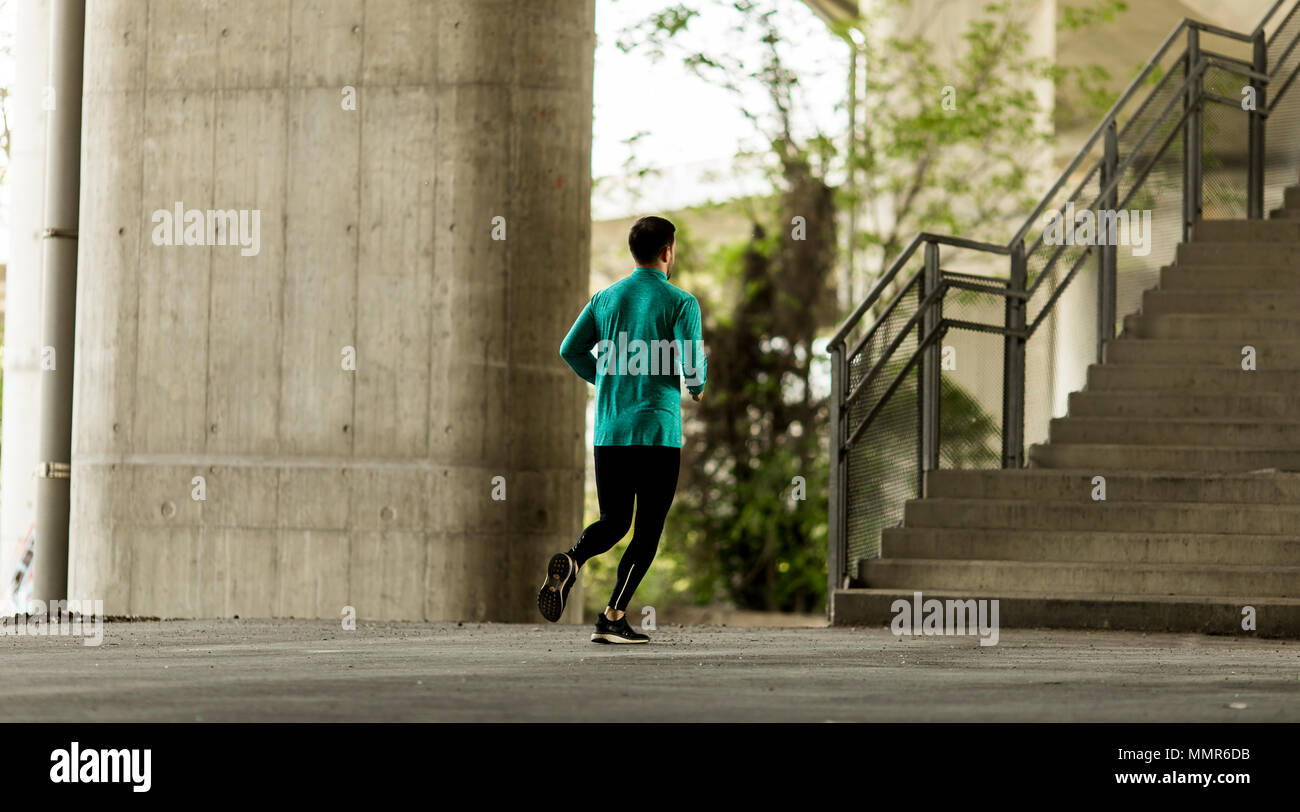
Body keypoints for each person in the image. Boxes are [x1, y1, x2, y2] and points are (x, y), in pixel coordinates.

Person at [539, 215, 707, 643]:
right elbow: (692, 365)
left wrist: (608, 377)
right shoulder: (680, 302)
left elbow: (569, 349)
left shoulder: (604, 299)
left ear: (635, 252)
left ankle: (575, 559)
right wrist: (697, 383)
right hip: (656, 433)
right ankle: (613, 615)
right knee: (648, 528)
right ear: (667, 251)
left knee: (614, 521)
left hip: (610, 431)